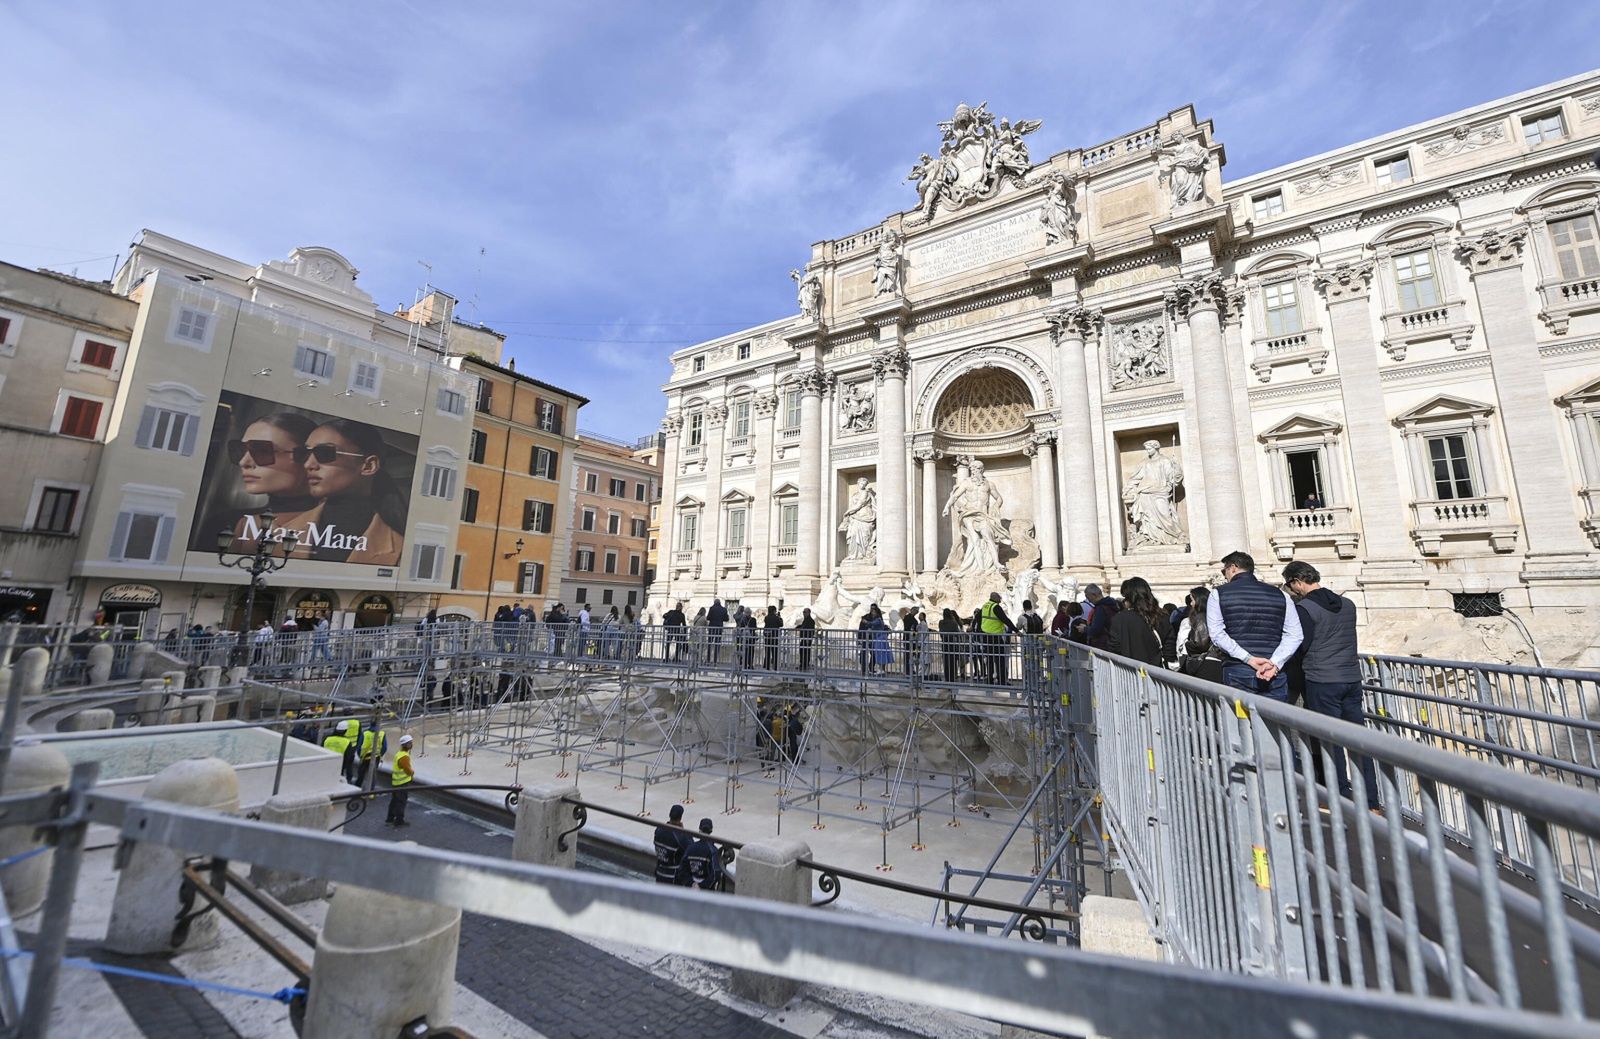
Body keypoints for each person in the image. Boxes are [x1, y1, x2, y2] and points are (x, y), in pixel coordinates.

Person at [1284, 561, 1381, 812]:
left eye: (1290, 585)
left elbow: (1301, 645)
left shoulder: (1305, 609)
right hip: (1351, 677)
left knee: (1329, 740)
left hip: (1322, 679)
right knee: (1358, 739)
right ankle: (1371, 801)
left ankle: (1335, 797)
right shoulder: (1348, 604)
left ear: (1297, 582)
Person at [297, 419, 406, 565]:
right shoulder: (283, 531)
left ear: (368, 466)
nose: (308, 464)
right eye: (304, 453)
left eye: (325, 453)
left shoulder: (403, 549)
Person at [216, 412, 319, 554]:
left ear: (305, 456)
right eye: (240, 450)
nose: (243, 462)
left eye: (262, 451)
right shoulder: (225, 524)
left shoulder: (331, 524)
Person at [1207, 551, 1303, 700]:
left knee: (1240, 715)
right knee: (1275, 714)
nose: (1224, 576)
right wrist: (1275, 663)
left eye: (1224, 571)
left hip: (1238, 670)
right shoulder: (1281, 595)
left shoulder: (1218, 594)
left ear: (1233, 568)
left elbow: (1217, 635)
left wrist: (1248, 659)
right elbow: (1295, 635)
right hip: (1273, 672)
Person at [1106, 577, 1175, 668]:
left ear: (1130, 598)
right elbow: (1169, 647)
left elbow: (1114, 647)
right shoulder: (1162, 616)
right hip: (1157, 672)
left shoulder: (1120, 619)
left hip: (1128, 671)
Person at [1176, 586, 1225, 684]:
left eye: (1192, 600)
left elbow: (1200, 644)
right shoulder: (1215, 615)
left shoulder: (1199, 618)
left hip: (1204, 663)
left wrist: (1187, 644)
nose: (1191, 604)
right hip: (1216, 660)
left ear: (1199, 600)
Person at [977, 592, 1017, 685]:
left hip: (986, 636)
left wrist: (980, 629)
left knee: (990, 659)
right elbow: (1005, 619)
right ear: (995, 598)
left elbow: (978, 618)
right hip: (995, 637)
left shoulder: (985, 606)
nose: (1000, 599)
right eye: (999, 597)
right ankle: (1002, 680)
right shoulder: (996, 607)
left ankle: (990, 680)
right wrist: (1016, 630)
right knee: (1000, 659)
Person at [653, 804, 692, 885]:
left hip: (659, 872)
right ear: (680, 818)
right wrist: (683, 832)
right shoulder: (680, 836)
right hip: (673, 877)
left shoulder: (658, 830)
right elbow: (691, 849)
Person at [683, 818, 725, 891]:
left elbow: (682, 868)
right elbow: (716, 874)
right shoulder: (713, 851)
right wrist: (701, 886)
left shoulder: (690, 848)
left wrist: (691, 883)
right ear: (711, 831)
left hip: (690, 888)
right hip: (706, 890)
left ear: (699, 830)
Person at [386, 734, 415, 827]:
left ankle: (390, 818)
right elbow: (408, 770)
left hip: (396, 782)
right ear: (405, 744)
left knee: (394, 801)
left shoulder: (399, 754)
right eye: (410, 743)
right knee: (401, 802)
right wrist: (412, 773)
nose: (411, 744)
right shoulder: (404, 757)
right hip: (402, 783)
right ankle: (399, 821)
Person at [938, 608, 963, 682]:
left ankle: (947, 677)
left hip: (944, 643)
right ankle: (952, 677)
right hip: (952, 643)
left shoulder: (941, 622)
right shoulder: (953, 623)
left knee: (946, 661)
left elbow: (941, 632)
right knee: (952, 661)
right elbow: (957, 633)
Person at [706, 598, 729, 663]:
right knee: (717, 644)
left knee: (709, 643)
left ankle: (708, 659)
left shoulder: (712, 608)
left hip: (712, 628)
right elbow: (726, 619)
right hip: (719, 628)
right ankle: (715, 660)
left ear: (714, 603)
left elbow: (708, 617)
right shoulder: (724, 609)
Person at [762, 605, 783, 670]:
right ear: (774, 610)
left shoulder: (766, 617)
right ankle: (775, 666)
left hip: (768, 636)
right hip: (775, 637)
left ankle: (767, 666)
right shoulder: (776, 618)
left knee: (767, 652)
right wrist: (780, 617)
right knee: (775, 652)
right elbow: (781, 624)